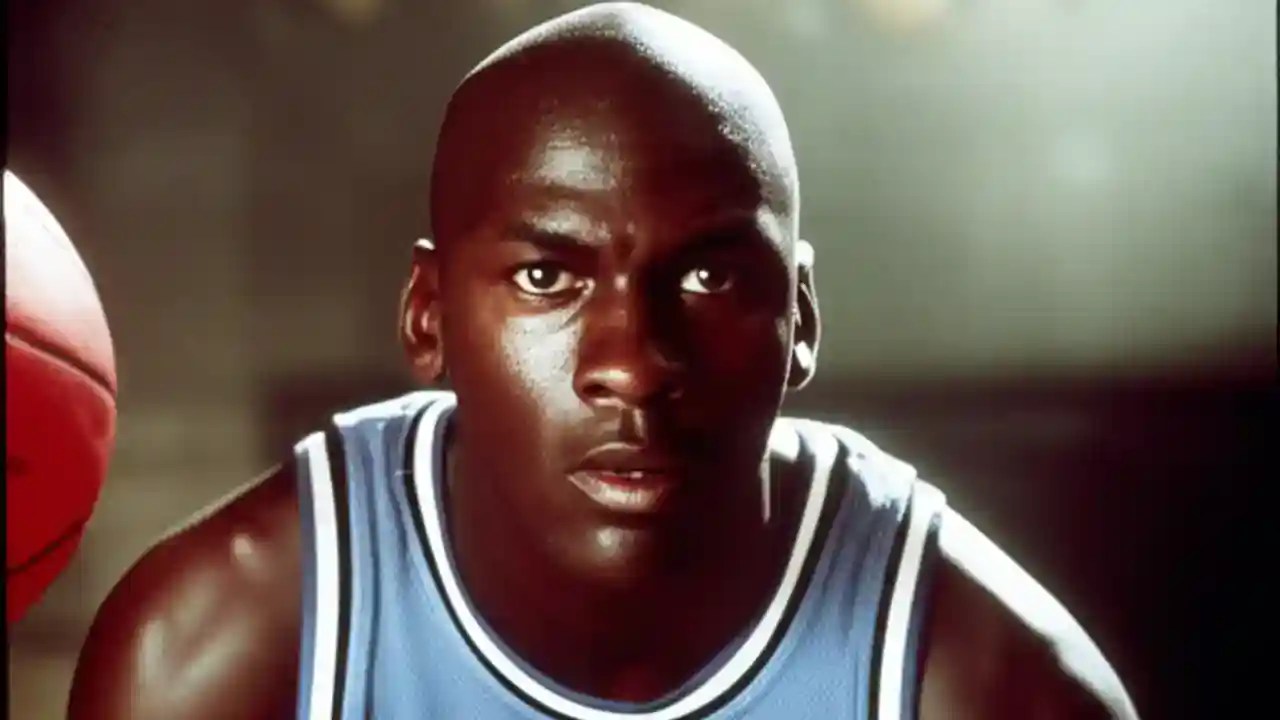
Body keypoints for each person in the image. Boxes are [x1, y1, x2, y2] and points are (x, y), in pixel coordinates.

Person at [68, 4, 1138, 719]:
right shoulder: (221, 652)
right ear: (427, 316)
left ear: (800, 317)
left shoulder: (983, 680)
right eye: (547, 280)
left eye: (709, 278)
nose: (629, 365)